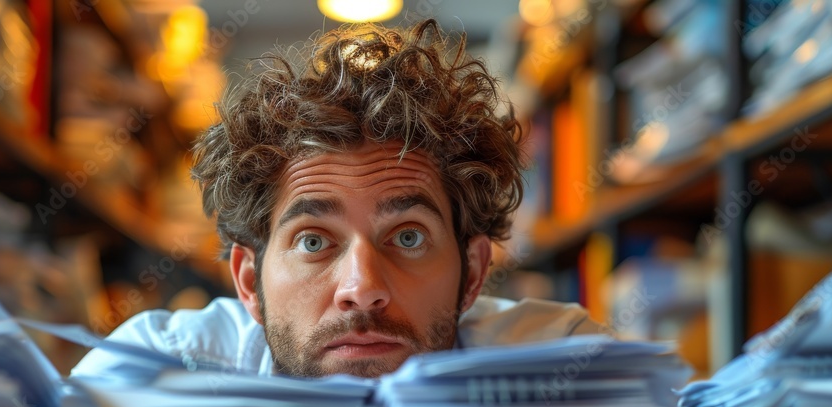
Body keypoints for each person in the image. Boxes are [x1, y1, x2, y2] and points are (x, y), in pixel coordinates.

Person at [72, 19, 601, 380]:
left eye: (409, 237)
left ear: (473, 272)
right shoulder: (152, 372)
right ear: (250, 283)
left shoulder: (569, 366)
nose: (362, 289)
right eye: (313, 241)